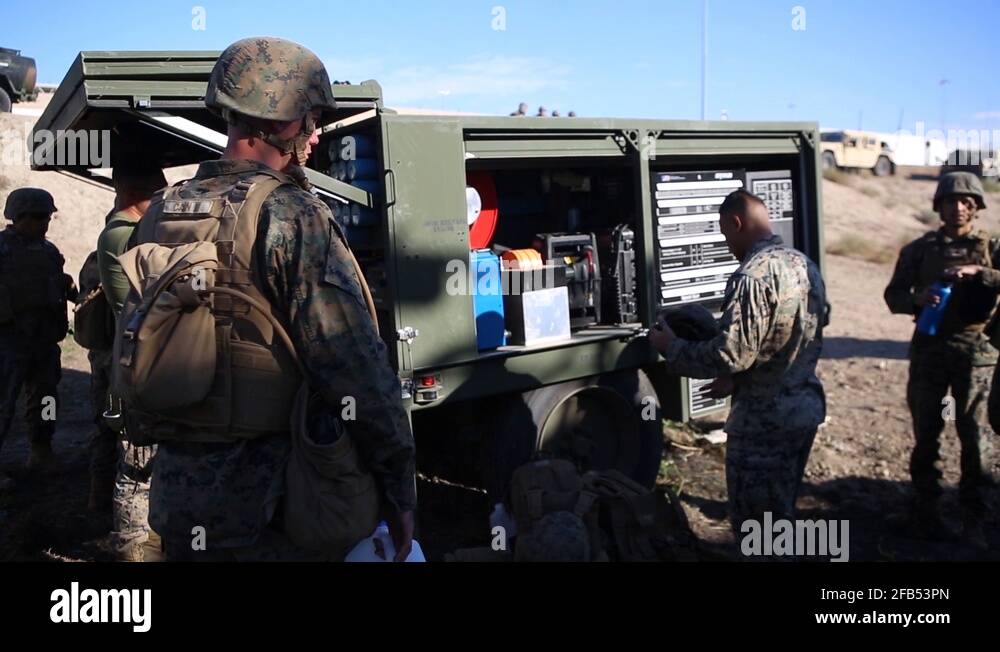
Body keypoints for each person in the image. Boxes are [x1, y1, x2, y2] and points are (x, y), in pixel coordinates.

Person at [130, 37, 416, 561]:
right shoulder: (291, 214)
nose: (316, 133)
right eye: (312, 117)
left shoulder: (162, 210)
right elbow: (351, 364)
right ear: (284, 120)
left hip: (177, 500)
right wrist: (399, 486)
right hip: (269, 507)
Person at [648, 189, 827, 555]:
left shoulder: (753, 275)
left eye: (725, 233)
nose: (727, 242)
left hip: (764, 423)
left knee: (757, 529)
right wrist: (740, 377)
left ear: (737, 222)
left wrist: (671, 348)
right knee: (780, 519)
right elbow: (792, 338)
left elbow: (731, 353)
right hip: (801, 411)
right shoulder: (803, 264)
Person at [884, 171, 997, 546]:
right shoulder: (919, 250)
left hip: (975, 353)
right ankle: (924, 510)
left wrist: (981, 273)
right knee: (926, 432)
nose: (959, 207)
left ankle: (974, 515)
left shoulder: (991, 247)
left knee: (975, 436)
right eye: (951, 201)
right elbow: (893, 296)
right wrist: (919, 299)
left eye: (967, 202)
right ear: (939, 206)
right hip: (929, 350)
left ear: (977, 208)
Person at [95, 166, 167, 561]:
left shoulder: (122, 229)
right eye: (156, 195)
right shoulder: (124, 233)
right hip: (138, 364)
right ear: (137, 193)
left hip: (140, 360)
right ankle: (134, 554)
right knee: (138, 468)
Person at [0, 188, 75, 490]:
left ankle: (41, 450)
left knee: (46, 398)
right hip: (8, 340)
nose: (45, 223)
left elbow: (59, 283)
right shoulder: (1, 249)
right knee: (3, 403)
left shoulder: (48, 251)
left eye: (47, 217)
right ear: (19, 217)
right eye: (39, 217)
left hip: (43, 339)